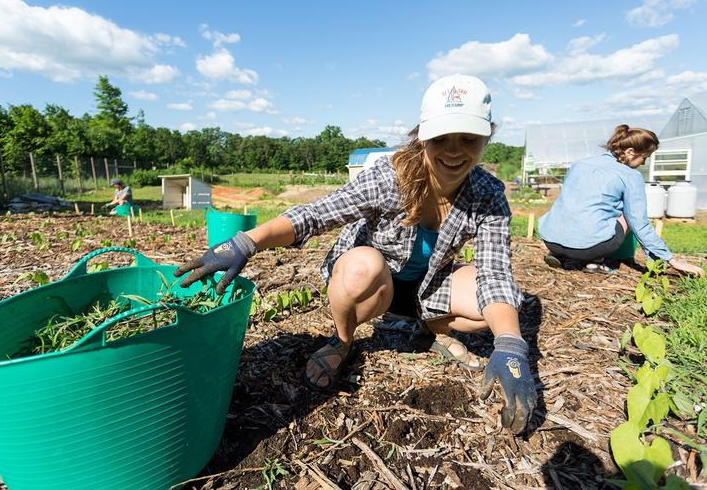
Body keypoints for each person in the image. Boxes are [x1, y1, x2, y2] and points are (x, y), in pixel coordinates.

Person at [175, 74, 537, 434]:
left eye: (468, 138)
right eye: (441, 138)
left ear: (487, 135)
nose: (454, 150)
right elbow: (316, 213)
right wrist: (247, 241)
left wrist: (509, 344)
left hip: (427, 286)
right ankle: (343, 340)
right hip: (373, 280)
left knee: (495, 304)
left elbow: (495, 273)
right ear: (422, 136)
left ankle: (427, 327)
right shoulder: (391, 177)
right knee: (363, 267)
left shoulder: (487, 194)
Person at [537, 125, 704, 276]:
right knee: (627, 214)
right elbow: (639, 222)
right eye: (644, 157)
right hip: (589, 248)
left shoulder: (580, 164)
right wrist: (670, 259)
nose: (643, 163)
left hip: (550, 240)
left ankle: (559, 254)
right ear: (630, 152)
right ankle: (595, 261)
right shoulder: (630, 175)